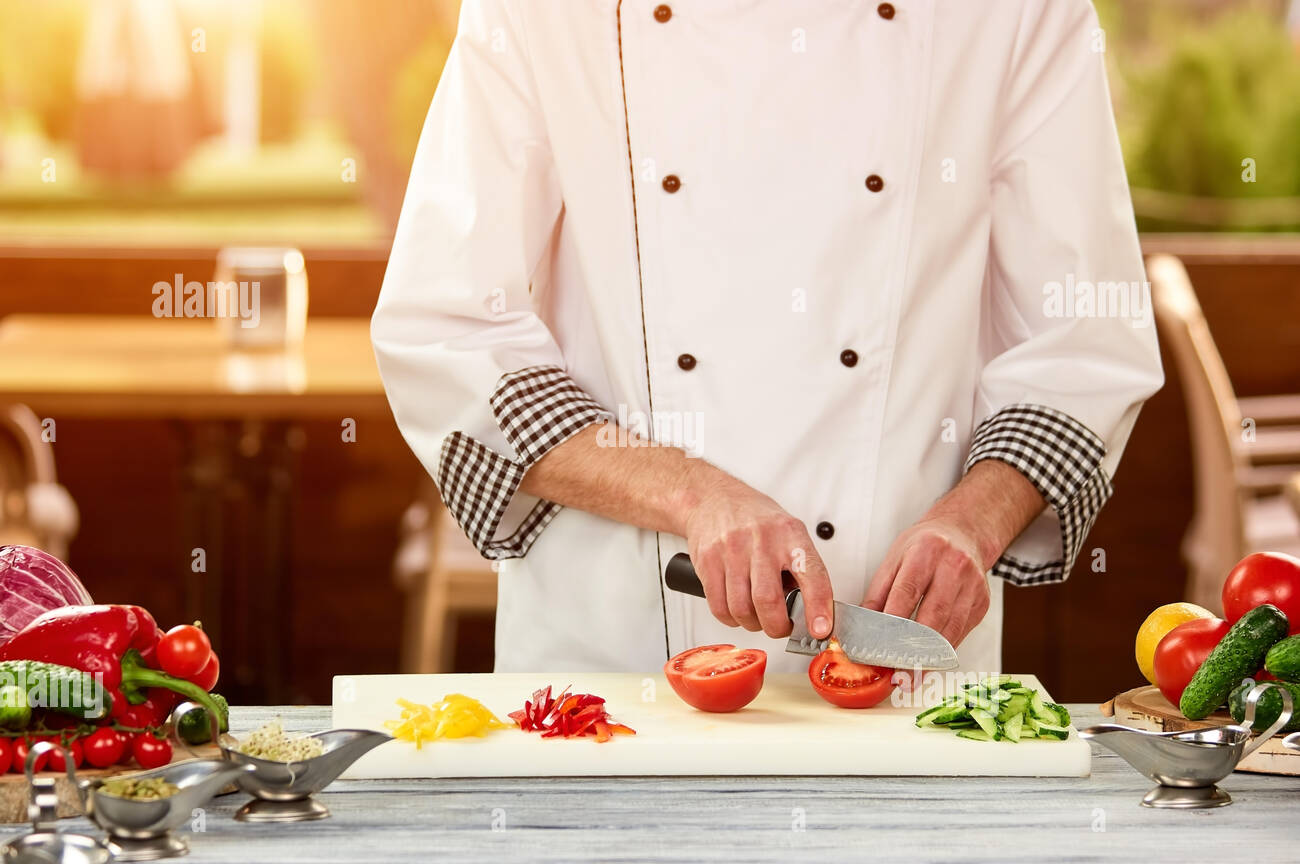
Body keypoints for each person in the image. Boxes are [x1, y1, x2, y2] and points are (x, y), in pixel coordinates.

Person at [372, 0, 1164, 675]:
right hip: (616, 666)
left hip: (899, 660)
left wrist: (975, 520)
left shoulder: (1016, 13)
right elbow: (450, 333)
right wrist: (690, 492)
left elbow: (1085, 339)